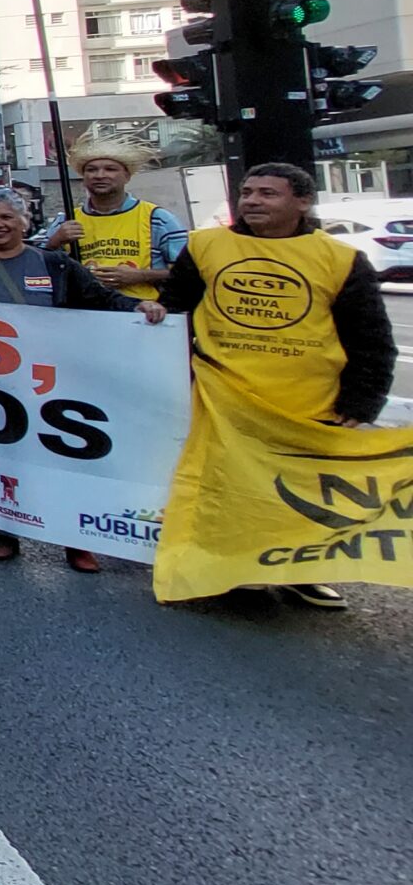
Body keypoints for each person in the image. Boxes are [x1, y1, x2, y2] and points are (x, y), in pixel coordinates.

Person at [155, 162, 395, 611]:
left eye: (268, 193)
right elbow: (174, 312)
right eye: (247, 192)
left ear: (302, 202)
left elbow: (370, 338)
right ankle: (233, 570)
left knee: (301, 494)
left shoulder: (340, 259)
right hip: (223, 397)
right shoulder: (205, 246)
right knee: (227, 490)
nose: (252, 201)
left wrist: (364, 399)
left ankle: (303, 573)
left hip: (307, 405)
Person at [0, 184, 170, 576]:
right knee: (4, 457)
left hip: (55, 380)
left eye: (7, 217)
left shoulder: (56, 264)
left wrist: (139, 305)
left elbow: (99, 299)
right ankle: (6, 532)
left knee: (65, 456)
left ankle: (77, 540)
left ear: (24, 222)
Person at [42, 134, 189, 299]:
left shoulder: (158, 219)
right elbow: (37, 268)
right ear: (83, 178)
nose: (99, 175)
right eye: (91, 170)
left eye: (110, 169)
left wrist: (140, 276)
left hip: (143, 315)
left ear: (127, 176)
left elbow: (188, 273)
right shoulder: (66, 221)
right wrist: (54, 242)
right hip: (85, 314)